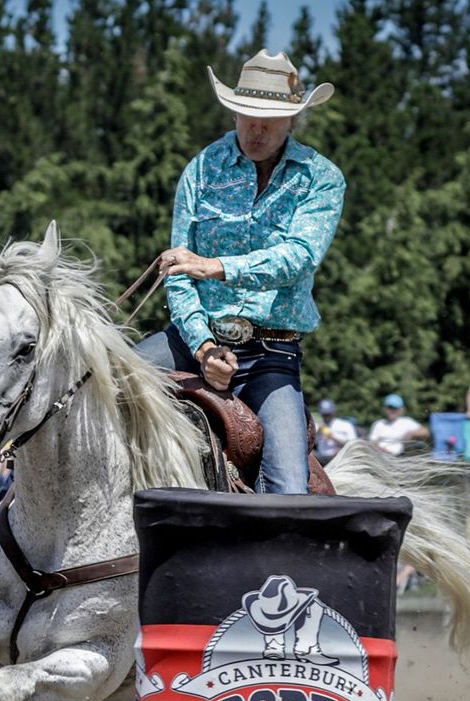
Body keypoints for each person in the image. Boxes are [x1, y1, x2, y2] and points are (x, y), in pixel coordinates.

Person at [135, 49, 344, 494]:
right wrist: (205, 346)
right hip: (189, 341)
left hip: (272, 353)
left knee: (289, 487)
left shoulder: (321, 179)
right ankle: (4, 516)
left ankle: (276, 560)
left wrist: (215, 267)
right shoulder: (202, 169)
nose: (256, 128)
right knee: (93, 387)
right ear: (234, 110)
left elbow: (299, 257)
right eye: (247, 114)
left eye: (269, 118)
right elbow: (178, 272)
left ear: (294, 120)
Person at [313, 398, 354, 465]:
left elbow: (352, 445)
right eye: (324, 415)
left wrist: (333, 438)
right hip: (320, 458)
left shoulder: (346, 425)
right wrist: (318, 432)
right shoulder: (317, 426)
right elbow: (311, 445)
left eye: (328, 414)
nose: (326, 417)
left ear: (334, 412)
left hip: (339, 457)